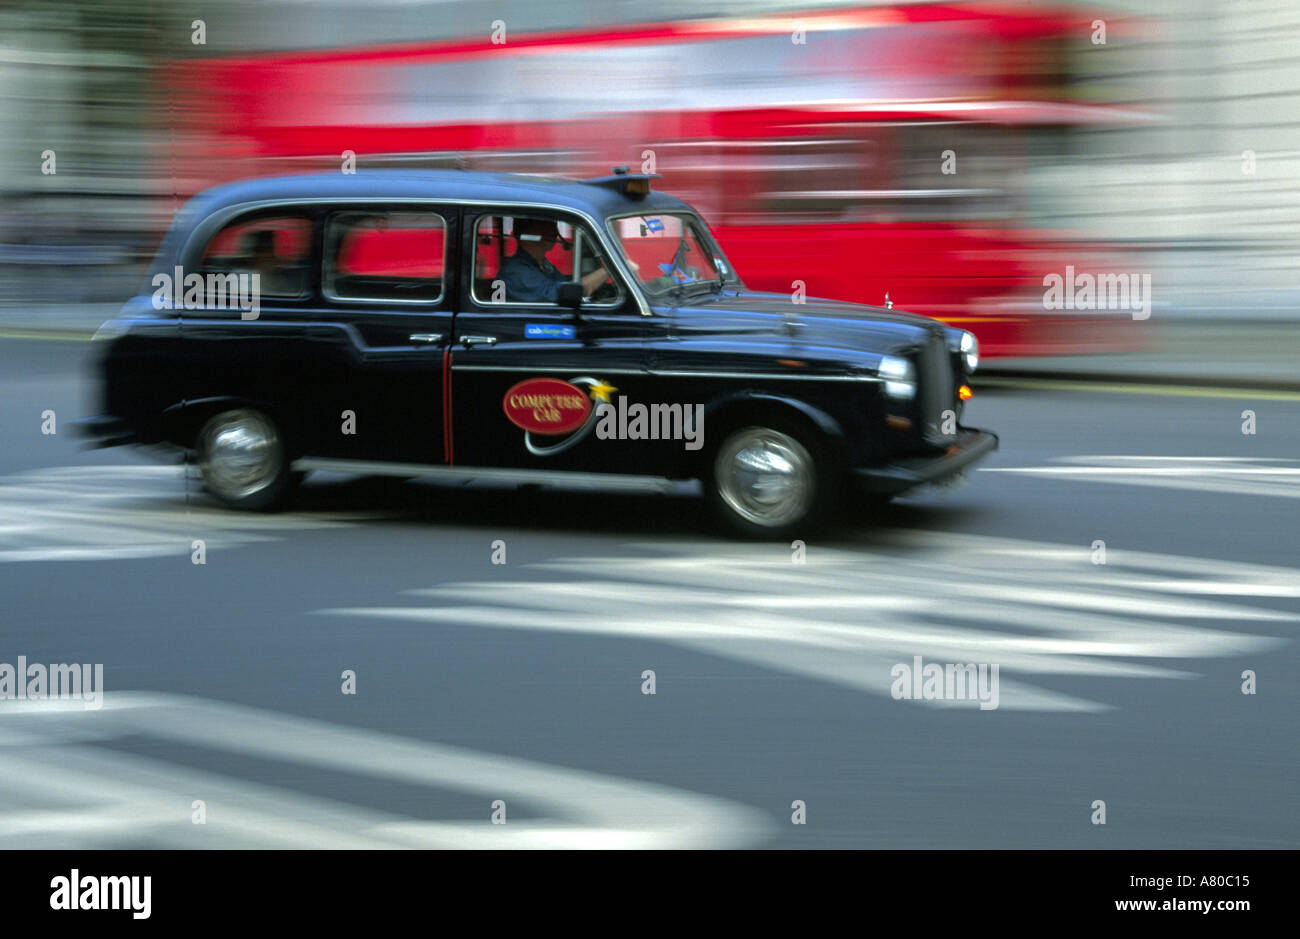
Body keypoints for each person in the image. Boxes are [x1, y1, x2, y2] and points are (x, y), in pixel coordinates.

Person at [498, 218, 610, 303]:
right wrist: (607, 270)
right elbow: (564, 293)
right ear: (529, 234)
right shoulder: (516, 271)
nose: (556, 232)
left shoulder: (544, 266)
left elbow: (565, 285)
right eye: (547, 225)